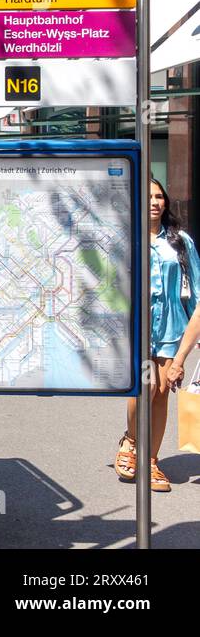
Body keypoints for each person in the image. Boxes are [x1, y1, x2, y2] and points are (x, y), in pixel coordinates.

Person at [115, 178, 199, 492]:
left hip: (171, 329)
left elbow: (198, 295)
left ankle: (151, 461)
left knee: (162, 390)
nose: (154, 202)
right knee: (145, 386)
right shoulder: (125, 239)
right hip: (135, 327)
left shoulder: (180, 241)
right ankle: (132, 440)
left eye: (159, 196)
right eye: (148, 196)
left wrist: (182, 356)